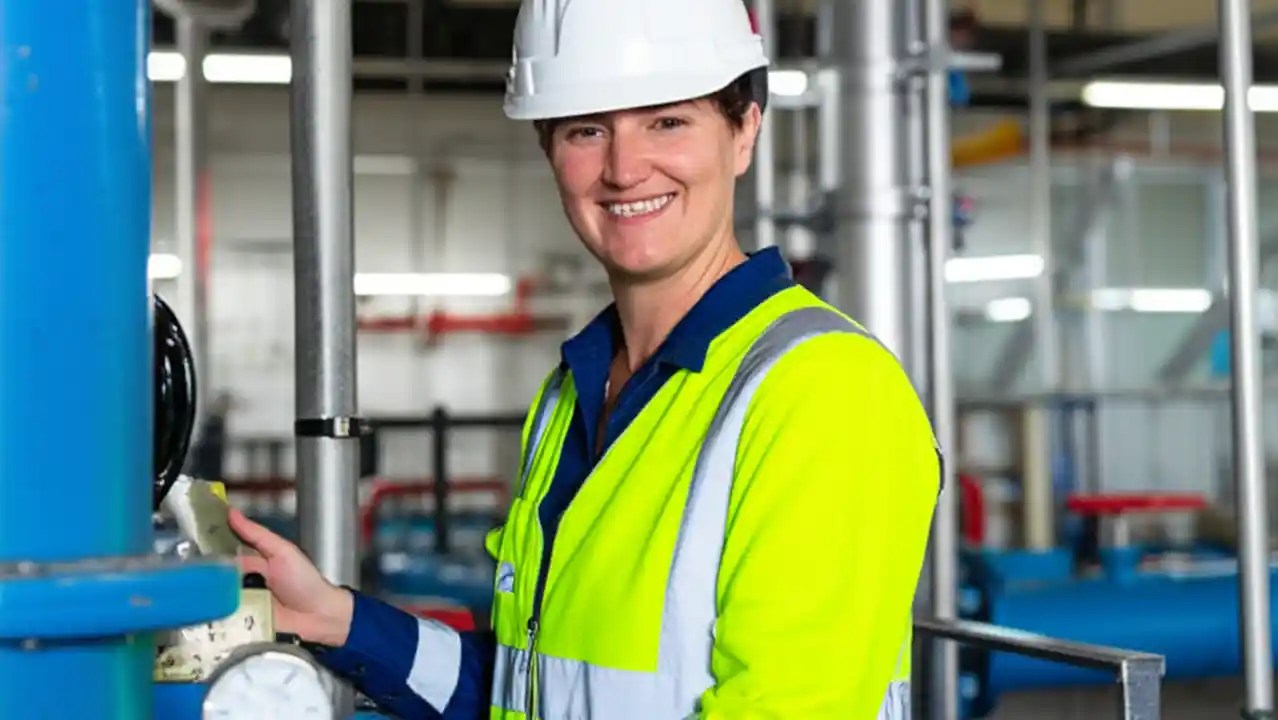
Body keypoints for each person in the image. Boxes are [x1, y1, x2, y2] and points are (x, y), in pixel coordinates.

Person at [229, 0, 941, 717]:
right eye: (587, 128)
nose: (624, 169)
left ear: (744, 130)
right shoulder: (571, 394)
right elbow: (536, 687)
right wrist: (340, 621)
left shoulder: (824, 391)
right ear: (549, 149)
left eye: (666, 120)